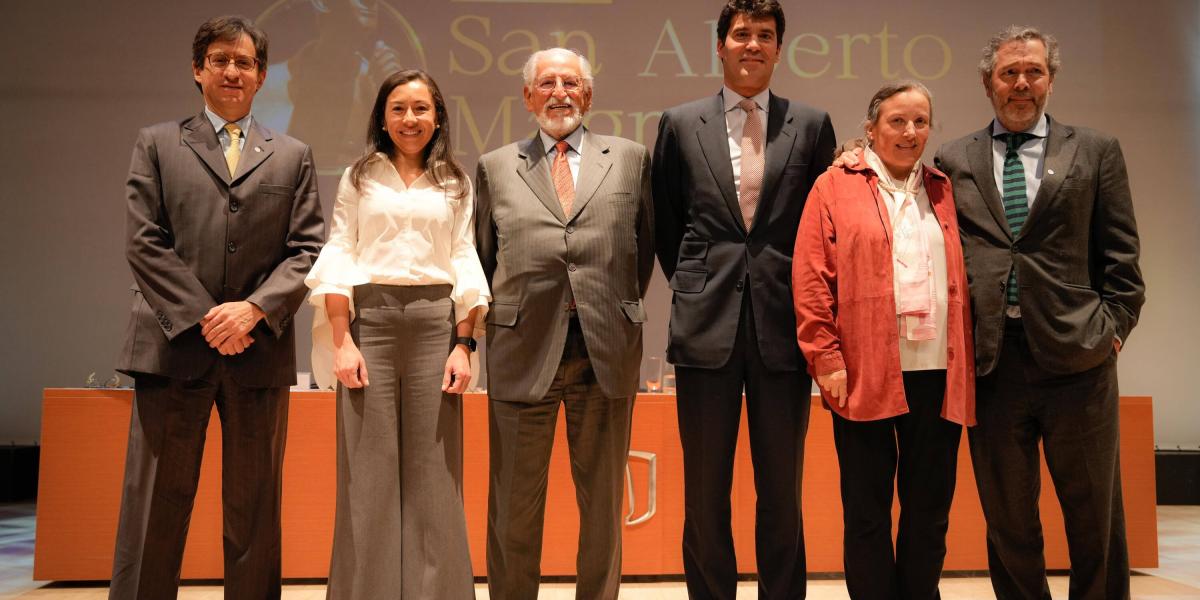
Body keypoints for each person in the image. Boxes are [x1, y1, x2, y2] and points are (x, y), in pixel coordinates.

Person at [112, 15, 324, 599]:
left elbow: (308, 250)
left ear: (261, 76)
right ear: (197, 69)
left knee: (255, 510)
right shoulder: (157, 142)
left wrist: (252, 310)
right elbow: (144, 241)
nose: (233, 71)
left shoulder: (293, 154)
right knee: (154, 506)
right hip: (173, 347)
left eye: (245, 62)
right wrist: (209, 317)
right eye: (220, 60)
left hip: (258, 350)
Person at [934, 26, 1145, 599]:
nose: (1022, 83)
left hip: (1079, 361)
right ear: (988, 83)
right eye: (1009, 73)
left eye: (1034, 71)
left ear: (1051, 80)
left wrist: (1112, 330)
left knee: (1094, 516)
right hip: (992, 364)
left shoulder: (1095, 150)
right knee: (1008, 519)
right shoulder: (953, 158)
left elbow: (1122, 256)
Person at [651, 1, 835, 597]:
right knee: (705, 490)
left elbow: (822, 225)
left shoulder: (812, 124)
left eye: (764, 35)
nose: (751, 44)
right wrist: (698, 282)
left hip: (784, 326)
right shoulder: (680, 123)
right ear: (720, 45)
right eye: (740, 34)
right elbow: (666, 221)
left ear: (779, 48)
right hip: (705, 327)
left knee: (782, 488)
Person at [474, 47, 654, 600]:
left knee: (602, 506)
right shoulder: (495, 166)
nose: (560, 93)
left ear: (589, 95)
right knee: (512, 508)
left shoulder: (630, 159)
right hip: (521, 348)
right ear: (527, 97)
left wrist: (607, 304)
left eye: (571, 83)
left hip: (605, 348)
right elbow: (483, 257)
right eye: (547, 83)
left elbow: (642, 250)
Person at [305, 69, 488, 600]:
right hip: (371, 325)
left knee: (436, 473)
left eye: (421, 109)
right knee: (368, 473)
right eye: (399, 109)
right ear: (383, 119)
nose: (410, 119)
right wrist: (343, 340)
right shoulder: (359, 177)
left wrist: (463, 344)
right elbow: (341, 250)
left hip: (436, 327)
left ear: (438, 117)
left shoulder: (455, 181)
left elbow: (463, 256)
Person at [792, 81, 974, 600]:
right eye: (897, 121)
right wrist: (824, 356)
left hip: (938, 371)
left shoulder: (943, 187)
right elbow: (811, 277)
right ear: (871, 129)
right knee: (867, 510)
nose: (909, 131)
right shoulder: (834, 185)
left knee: (929, 507)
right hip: (862, 369)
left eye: (920, 121)